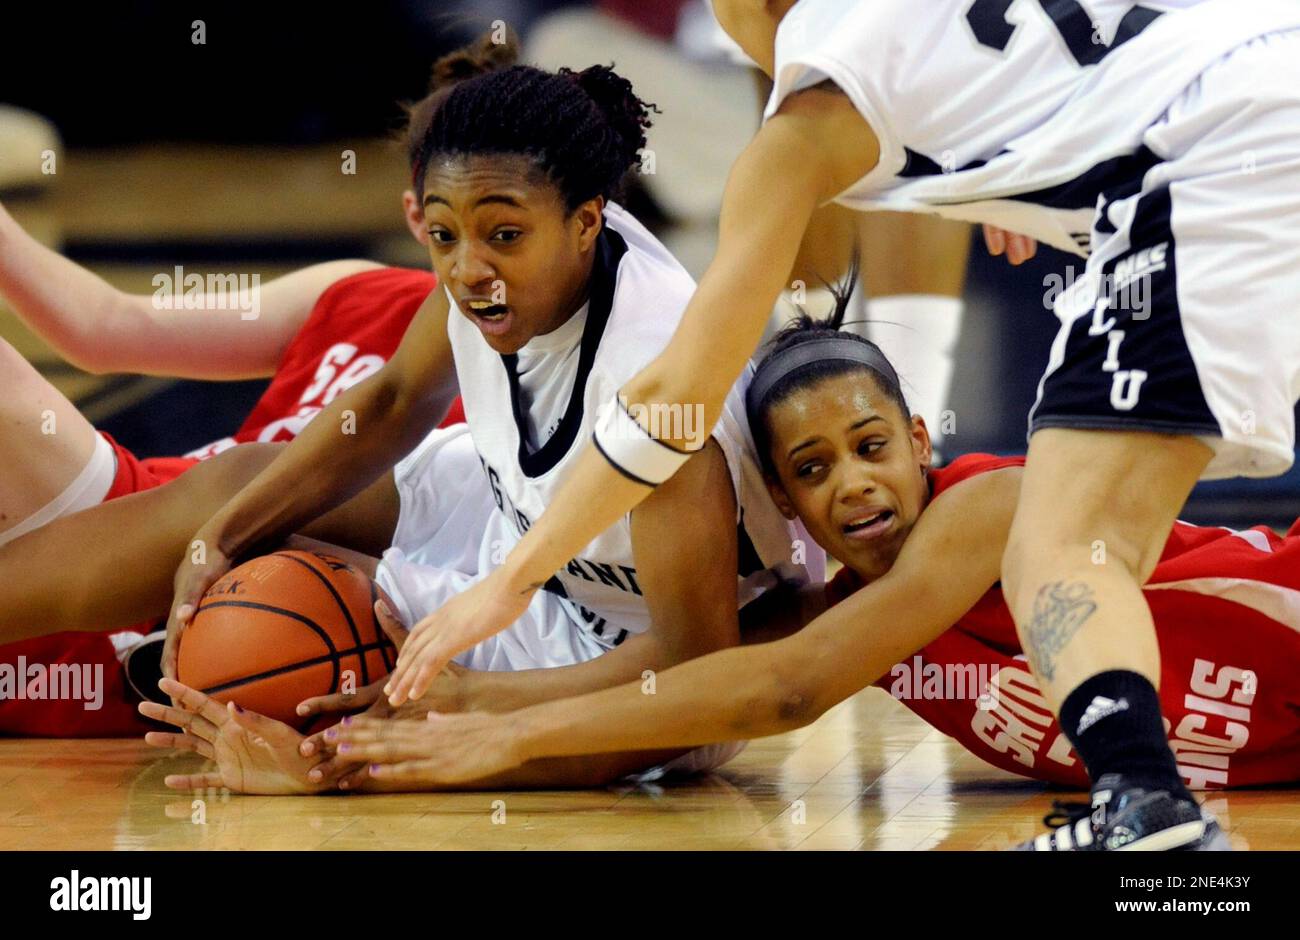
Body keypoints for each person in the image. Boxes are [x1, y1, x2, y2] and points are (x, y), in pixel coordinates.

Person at [370, 0, 1300, 850]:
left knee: (1065, 546)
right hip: (1251, 88)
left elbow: (676, 399)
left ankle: (1144, 816)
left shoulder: (808, 113)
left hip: (1213, 147)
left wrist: (512, 584)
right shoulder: (846, 597)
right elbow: (753, 683)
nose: (725, 30)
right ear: (778, 500)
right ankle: (1154, 826)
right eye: (810, 468)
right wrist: (1036, 178)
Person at [0, 34, 817, 783]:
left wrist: (485, 705)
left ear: (586, 223)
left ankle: (314, 735)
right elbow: (393, 402)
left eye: (501, 236)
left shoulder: (658, 398)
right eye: (442, 235)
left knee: (327, 656)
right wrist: (222, 536)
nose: (467, 269)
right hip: (527, 529)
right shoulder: (498, 260)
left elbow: (691, 668)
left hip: (627, 654)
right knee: (240, 486)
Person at [323, 310, 1298, 847]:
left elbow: (783, 689)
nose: (854, 483)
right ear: (785, 504)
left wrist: (503, 728)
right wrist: (392, 742)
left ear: (920, 442)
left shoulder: (985, 508)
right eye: (813, 469)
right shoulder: (844, 616)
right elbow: (669, 705)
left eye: (870, 445)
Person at [0, 195, 464, 735]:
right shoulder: (360, 288)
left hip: (224, 620)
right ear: (416, 209)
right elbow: (106, 324)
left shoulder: (535, 379)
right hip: (134, 522)